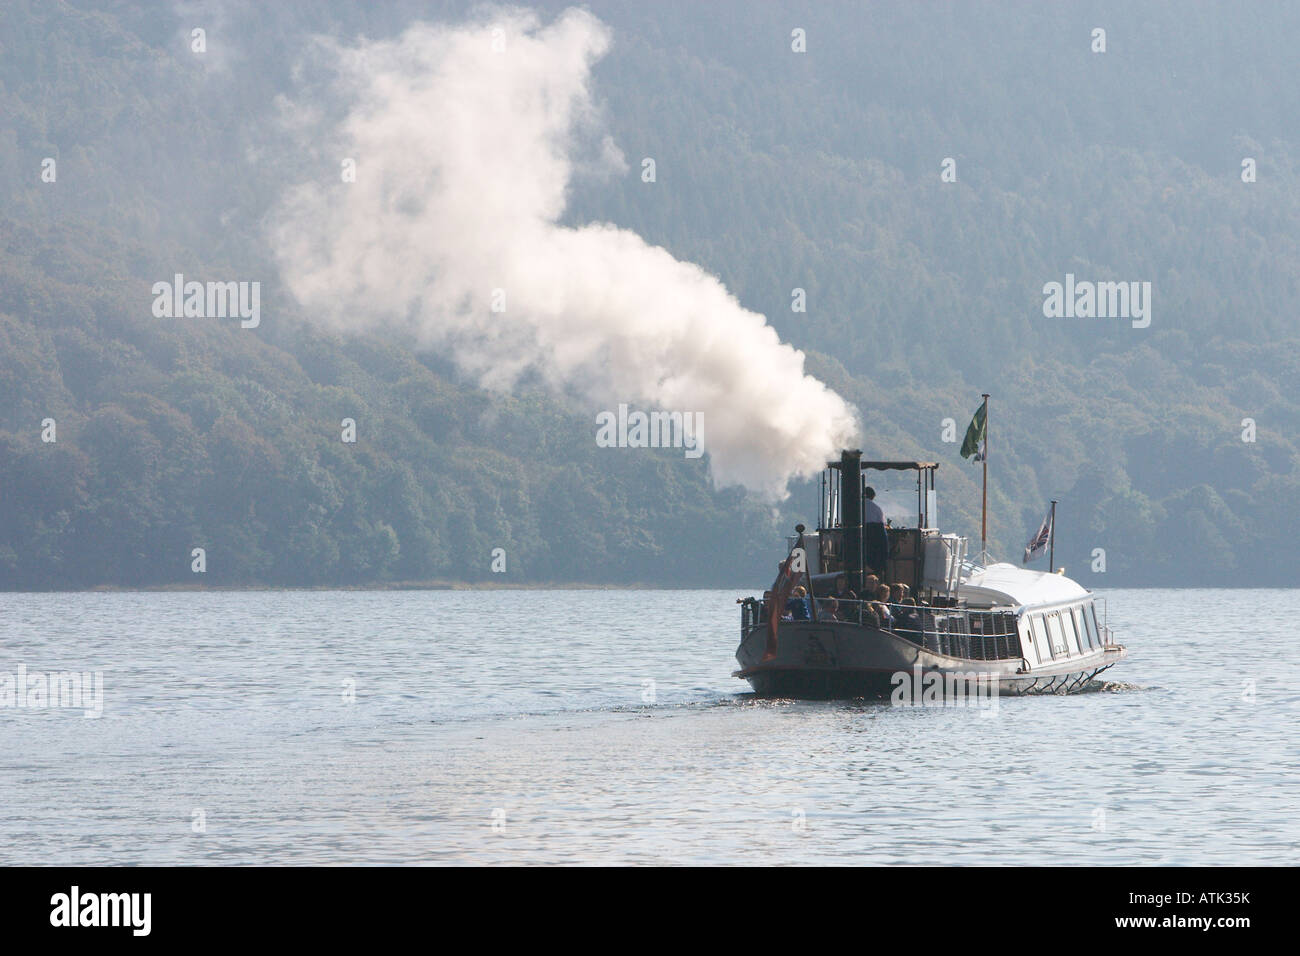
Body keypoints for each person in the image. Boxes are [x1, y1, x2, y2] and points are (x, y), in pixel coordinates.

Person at [862, 486, 889, 577]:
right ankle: (879, 570)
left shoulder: (855, 505)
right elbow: (882, 523)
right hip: (875, 538)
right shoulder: (876, 507)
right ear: (872, 496)